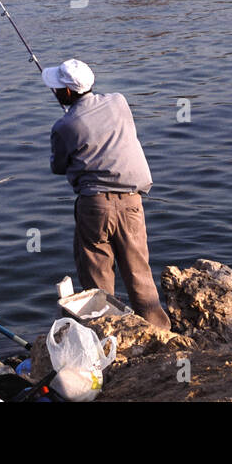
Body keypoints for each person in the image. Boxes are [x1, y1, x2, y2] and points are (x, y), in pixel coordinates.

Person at [43, 58, 171, 331]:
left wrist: (69, 115)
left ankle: (105, 336)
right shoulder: (119, 102)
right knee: (139, 272)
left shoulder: (64, 126)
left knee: (97, 275)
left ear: (65, 93)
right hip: (131, 202)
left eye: (57, 89)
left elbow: (58, 167)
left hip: (94, 206)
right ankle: (159, 334)